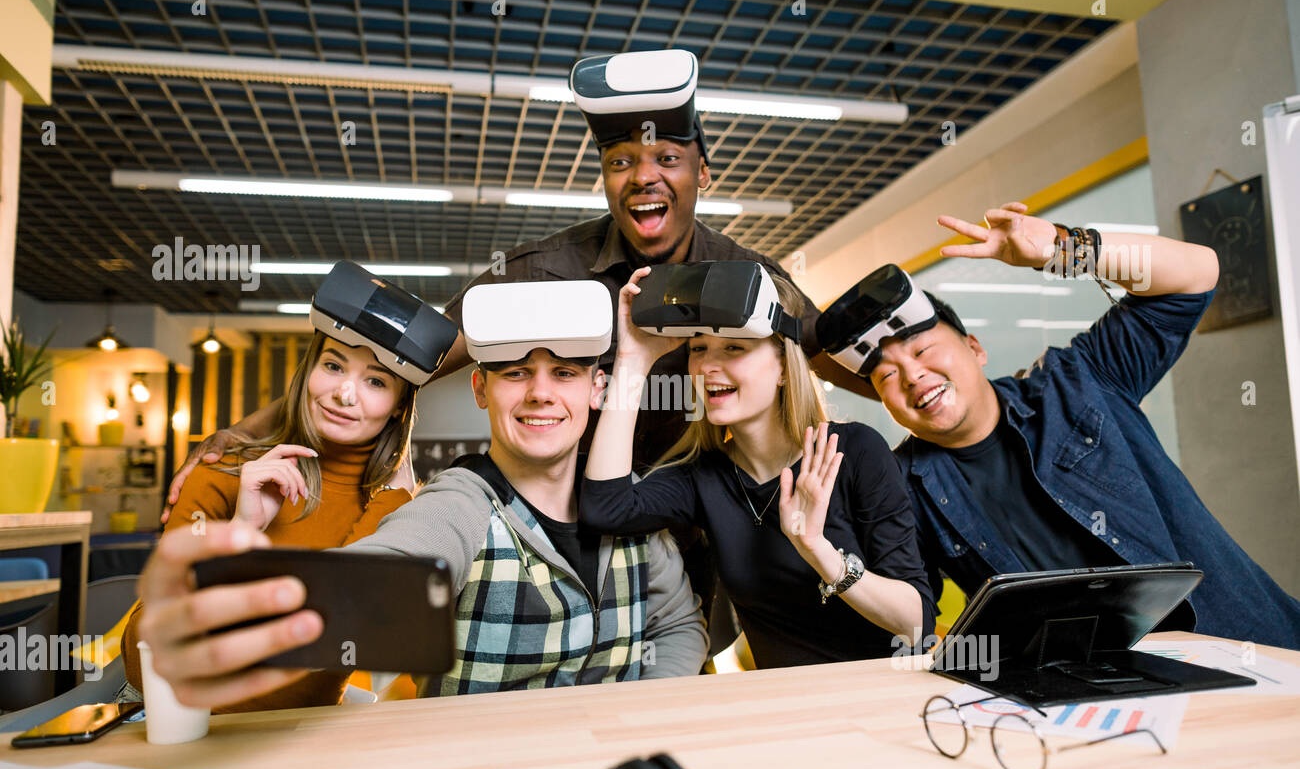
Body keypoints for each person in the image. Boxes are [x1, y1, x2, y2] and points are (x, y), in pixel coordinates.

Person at [160, 49, 867, 522]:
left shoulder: (752, 282)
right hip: (563, 523)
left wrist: (934, 393)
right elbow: (409, 352)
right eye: (620, 161)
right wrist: (250, 432)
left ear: (702, 173)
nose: (643, 176)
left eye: (667, 158)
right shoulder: (543, 267)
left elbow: (839, 357)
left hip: (690, 523)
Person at [131, 281, 708, 710]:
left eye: (564, 374)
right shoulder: (455, 506)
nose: (539, 393)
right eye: (514, 373)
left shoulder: (634, 504)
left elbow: (679, 627)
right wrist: (224, 614)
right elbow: (372, 581)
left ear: (597, 389)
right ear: (480, 387)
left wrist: (642, 722)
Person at [856, 201, 1300, 650]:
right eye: (887, 376)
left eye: (922, 350)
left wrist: (1062, 249)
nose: (912, 376)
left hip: (1242, 648)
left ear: (975, 348)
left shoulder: (1078, 381)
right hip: (1083, 686)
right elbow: (913, 619)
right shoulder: (899, 485)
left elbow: (1196, 274)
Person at [580, 266, 935, 668]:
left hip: (883, 692)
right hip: (781, 699)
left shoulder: (853, 451)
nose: (707, 366)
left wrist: (819, 551)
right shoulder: (703, 476)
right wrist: (632, 361)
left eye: (734, 348)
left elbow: (918, 624)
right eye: (698, 348)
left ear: (784, 366)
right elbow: (605, 508)